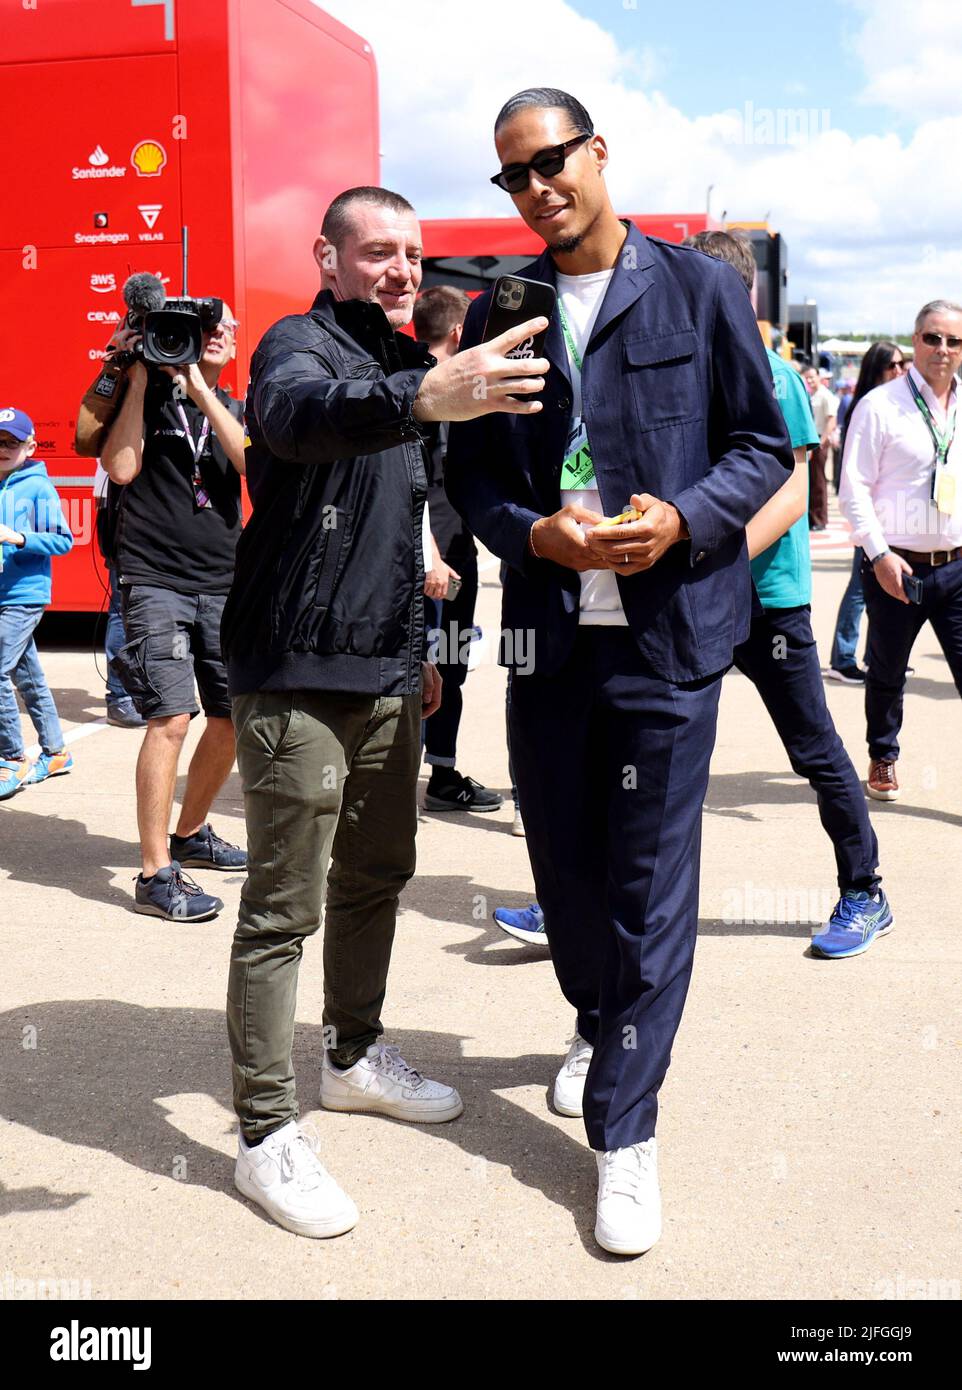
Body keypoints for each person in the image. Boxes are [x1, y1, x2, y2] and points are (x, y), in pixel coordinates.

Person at [446, 91, 793, 1256]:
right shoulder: (502, 309)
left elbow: (761, 446)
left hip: (667, 641)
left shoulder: (696, 288)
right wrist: (532, 534)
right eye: (512, 174)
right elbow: (472, 481)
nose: (537, 185)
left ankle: (623, 1134)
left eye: (552, 159)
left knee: (649, 884)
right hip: (549, 639)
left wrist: (686, 518)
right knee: (566, 871)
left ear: (598, 154)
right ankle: (598, 1021)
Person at [221, 184, 552, 1239]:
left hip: (381, 674)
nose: (400, 268)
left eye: (411, 252)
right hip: (293, 670)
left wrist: (416, 656)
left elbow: (400, 524)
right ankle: (264, 1134)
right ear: (327, 256)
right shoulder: (296, 347)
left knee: (379, 876)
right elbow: (291, 421)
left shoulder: (408, 367)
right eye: (376, 253)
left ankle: (353, 1056)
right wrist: (417, 399)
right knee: (285, 903)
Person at [687, 231, 892, 960]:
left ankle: (864, 888)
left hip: (767, 603)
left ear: (740, 297)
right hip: (690, 599)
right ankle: (587, 904)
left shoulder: (774, 376)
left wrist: (709, 556)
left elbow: (792, 486)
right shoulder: (680, 370)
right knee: (647, 751)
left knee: (813, 749)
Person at [100, 303, 248, 921]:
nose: (218, 335)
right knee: (171, 716)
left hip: (223, 580)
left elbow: (254, 465)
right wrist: (137, 378)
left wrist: (200, 390)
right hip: (153, 578)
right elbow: (120, 466)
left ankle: (191, 832)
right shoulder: (150, 401)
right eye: (206, 329)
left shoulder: (236, 409)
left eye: (226, 330)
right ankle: (156, 871)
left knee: (232, 714)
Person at [839, 300, 962, 801]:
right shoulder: (880, 405)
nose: (943, 350)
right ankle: (883, 755)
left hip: (956, 566)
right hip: (896, 565)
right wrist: (879, 554)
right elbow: (853, 489)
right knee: (887, 672)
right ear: (915, 341)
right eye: (933, 338)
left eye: (954, 341)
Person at [414, 286, 501, 813]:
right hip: (434, 556)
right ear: (457, 334)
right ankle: (426, 776)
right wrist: (431, 555)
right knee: (433, 664)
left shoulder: (431, 385)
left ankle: (441, 773)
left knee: (446, 663)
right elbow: (417, 483)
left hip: (449, 549)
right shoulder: (429, 390)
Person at [0, 408, 75, 800]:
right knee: (28, 677)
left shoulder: (38, 487)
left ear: (30, 446)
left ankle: (11, 760)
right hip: (1, 595)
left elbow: (63, 541)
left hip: (24, 594)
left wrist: (18, 538)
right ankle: (56, 752)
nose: (3, 448)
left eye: (12, 441)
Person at [826, 342, 907, 683]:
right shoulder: (868, 406)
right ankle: (844, 658)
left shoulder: (898, 404)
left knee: (877, 591)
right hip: (871, 518)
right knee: (860, 588)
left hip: (896, 517)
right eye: (893, 365)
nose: (900, 371)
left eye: (903, 365)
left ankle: (877, 657)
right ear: (877, 368)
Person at [93, 461, 145, 728]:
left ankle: (135, 693)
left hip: (144, 508)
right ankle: (119, 698)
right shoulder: (120, 420)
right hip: (123, 506)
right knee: (122, 610)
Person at [802, 365, 838, 530]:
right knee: (811, 481)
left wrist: (822, 441)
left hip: (819, 441)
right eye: (807, 377)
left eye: (812, 377)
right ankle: (812, 518)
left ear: (819, 377)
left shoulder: (825, 395)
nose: (810, 380)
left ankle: (819, 520)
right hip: (812, 441)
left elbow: (831, 420)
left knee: (818, 482)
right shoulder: (812, 394)